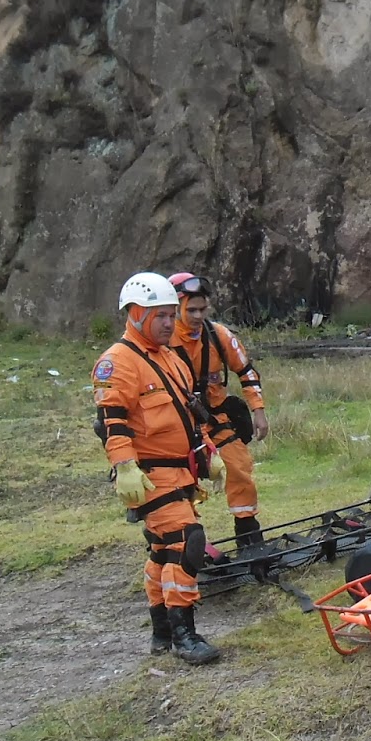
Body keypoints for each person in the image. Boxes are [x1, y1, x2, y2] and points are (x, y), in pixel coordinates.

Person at [93, 272, 226, 664]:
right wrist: (125, 466)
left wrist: (209, 451)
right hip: (149, 474)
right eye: (161, 316)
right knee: (188, 541)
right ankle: (185, 634)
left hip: (181, 470)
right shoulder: (117, 362)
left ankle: (162, 632)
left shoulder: (171, 359)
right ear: (135, 314)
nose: (171, 323)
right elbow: (112, 421)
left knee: (164, 549)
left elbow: (191, 413)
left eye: (172, 315)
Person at [168, 273, 269, 546]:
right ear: (174, 307)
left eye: (203, 309)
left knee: (239, 467)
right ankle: (182, 540)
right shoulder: (160, 341)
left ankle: (248, 532)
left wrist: (258, 411)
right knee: (176, 481)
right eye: (191, 310)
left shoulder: (218, 335)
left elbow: (246, 372)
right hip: (176, 426)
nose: (198, 315)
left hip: (214, 418)